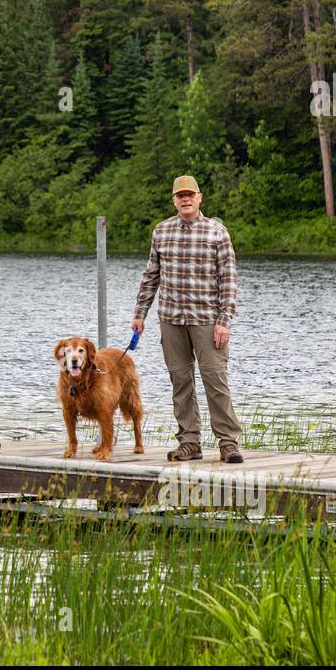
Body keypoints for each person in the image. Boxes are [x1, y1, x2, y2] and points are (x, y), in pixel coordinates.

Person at [130, 175, 245, 463]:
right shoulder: (161, 231)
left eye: (189, 194)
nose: (185, 199)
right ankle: (189, 441)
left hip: (207, 319)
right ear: (174, 200)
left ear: (199, 197)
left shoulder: (217, 232)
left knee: (215, 379)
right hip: (171, 318)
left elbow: (228, 281)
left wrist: (224, 320)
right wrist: (139, 314)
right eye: (180, 195)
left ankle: (228, 443)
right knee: (180, 380)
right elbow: (151, 276)